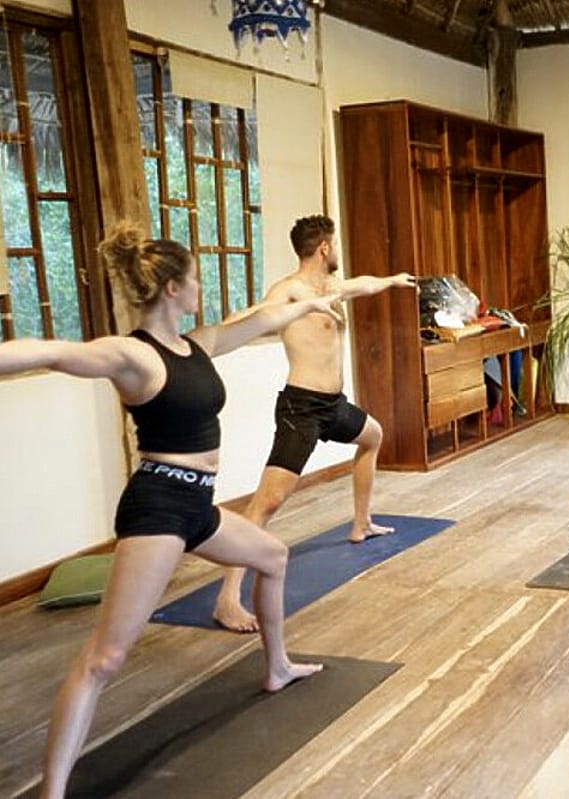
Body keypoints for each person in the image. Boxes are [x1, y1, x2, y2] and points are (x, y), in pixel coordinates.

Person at [0, 223, 335, 799]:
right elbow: (51, 352)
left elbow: (265, 318)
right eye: (198, 280)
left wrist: (331, 296)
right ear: (175, 287)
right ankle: (51, 793)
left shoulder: (197, 345)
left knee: (273, 556)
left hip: (197, 504)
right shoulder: (134, 355)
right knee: (105, 659)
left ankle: (277, 668)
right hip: (157, 506)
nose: (203, 288)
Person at [213, 214, 415, 633]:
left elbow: (364, 283)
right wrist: (208, 336)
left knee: (372, 436)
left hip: (333, 404)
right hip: (301, 409)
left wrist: (394, 279)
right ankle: (227, 598)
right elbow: (254, 314)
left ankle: (362, 523)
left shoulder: (332, 287)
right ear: (325, 248)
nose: (338, 251)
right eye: (336, 243)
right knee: (267, 502)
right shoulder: (289, 292)